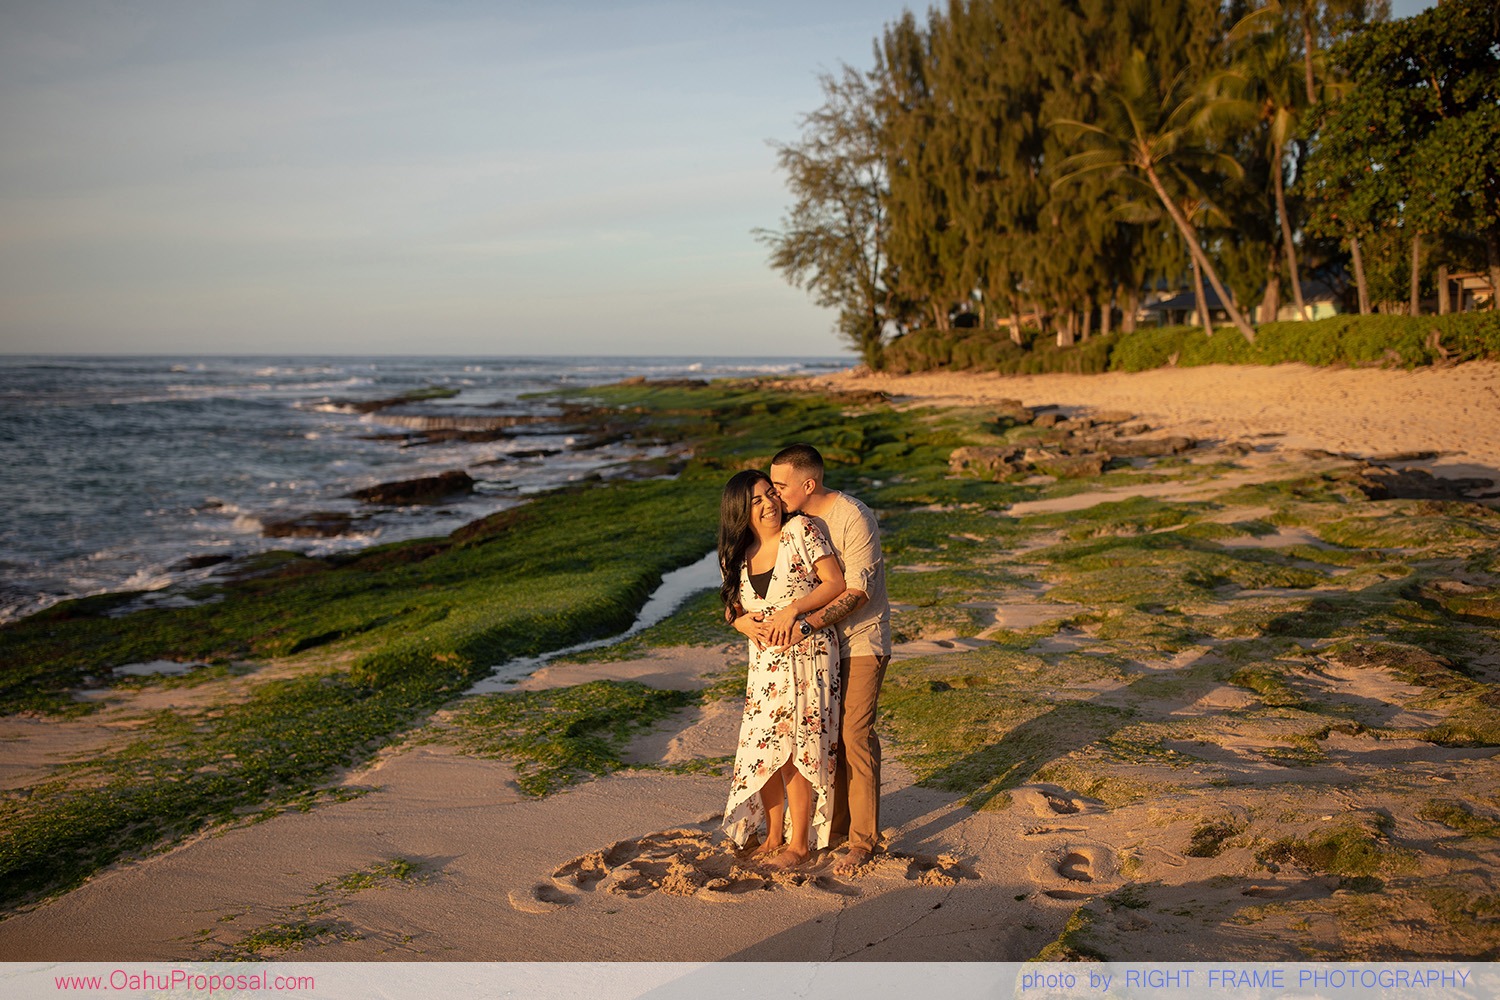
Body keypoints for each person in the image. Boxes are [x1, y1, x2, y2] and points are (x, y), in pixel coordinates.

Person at [756, 444, 891, 876]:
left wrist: (804, 622)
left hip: (861, 640)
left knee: (855, 735)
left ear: (808, 484)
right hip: (816, 652)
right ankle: (834, 828)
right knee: (826, 739)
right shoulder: (793, 521)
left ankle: (862, 841)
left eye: (780, 486)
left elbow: (858, 592)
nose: (774, 494)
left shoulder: (853, 516)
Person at [717, 469, 846, 871]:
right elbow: (732, 606)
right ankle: (774, 835)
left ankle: (800, 843)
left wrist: (794, 609)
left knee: (796, 748)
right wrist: (739, 623)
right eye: (756, 500)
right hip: (764, 665)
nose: (769, 503)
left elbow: (835, 583)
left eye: (771, 493)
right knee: (763, 750)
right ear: (741, 510)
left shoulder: (801, 531)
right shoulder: (735, 554)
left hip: (808, 653)